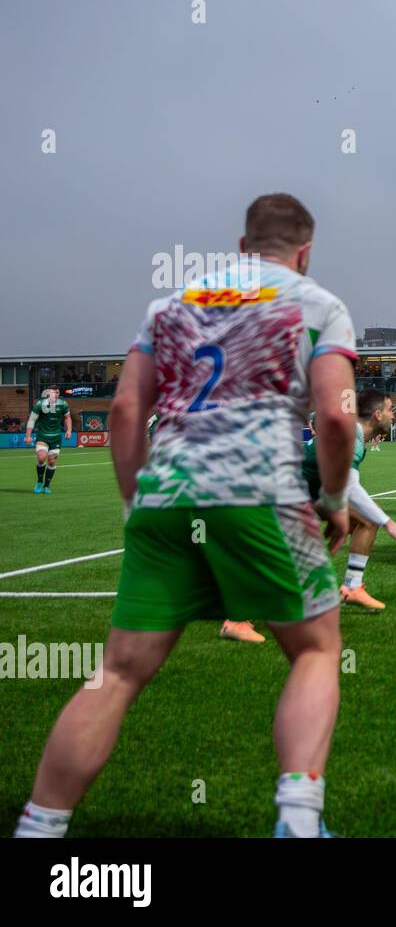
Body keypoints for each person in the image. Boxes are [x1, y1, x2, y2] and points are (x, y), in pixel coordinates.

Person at [15, 193, 356, 838]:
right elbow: (336, 416)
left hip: (165, 497)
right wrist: (334, 500)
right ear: (304, 252)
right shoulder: (317, 303)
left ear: (240, 247)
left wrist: (134, 503)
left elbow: (123, 413)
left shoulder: (171, 305)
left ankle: (40, 826)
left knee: (116, 671)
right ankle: (299, 821)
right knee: (315, 650)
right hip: (259, 493)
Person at [301, 388, 396, 610]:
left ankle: (352, 588)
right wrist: (390, 524)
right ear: (377, 415)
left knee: (366, 520)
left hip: (307, 496)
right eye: (390, 410)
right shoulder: (349, 437)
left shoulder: (353, 436)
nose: (393, 415)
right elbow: (350, 486)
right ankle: (236, 618)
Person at [25, 387, 72, 494]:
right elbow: (32, 419)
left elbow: (67, 417)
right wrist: (28, 435)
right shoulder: (40, 404)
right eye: (54, 392)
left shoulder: (63, 404)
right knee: (41, 458)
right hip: (43, 436)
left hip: (56, 437)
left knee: (51, 462)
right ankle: (39, 481)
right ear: (48, 394)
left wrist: (68, 430)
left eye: (57, 393)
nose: (56, 394)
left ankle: (47, 486)